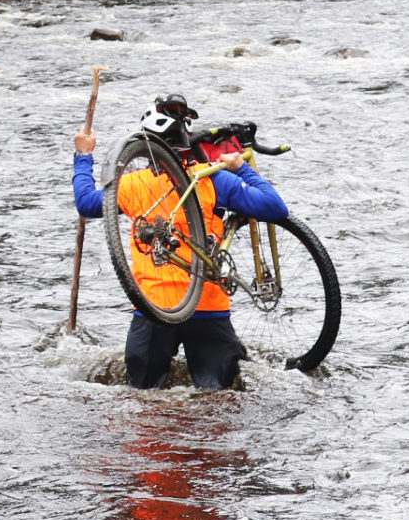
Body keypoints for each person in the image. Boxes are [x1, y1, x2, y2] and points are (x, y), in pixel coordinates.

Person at [73, 93, 289, 391]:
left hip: (153, 308)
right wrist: (241, 168)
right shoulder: (213, 179)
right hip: (208, 306)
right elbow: (275, 208)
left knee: (143, 400)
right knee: (219, 402)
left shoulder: (132, 185)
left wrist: (83, 156)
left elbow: (86, 203)